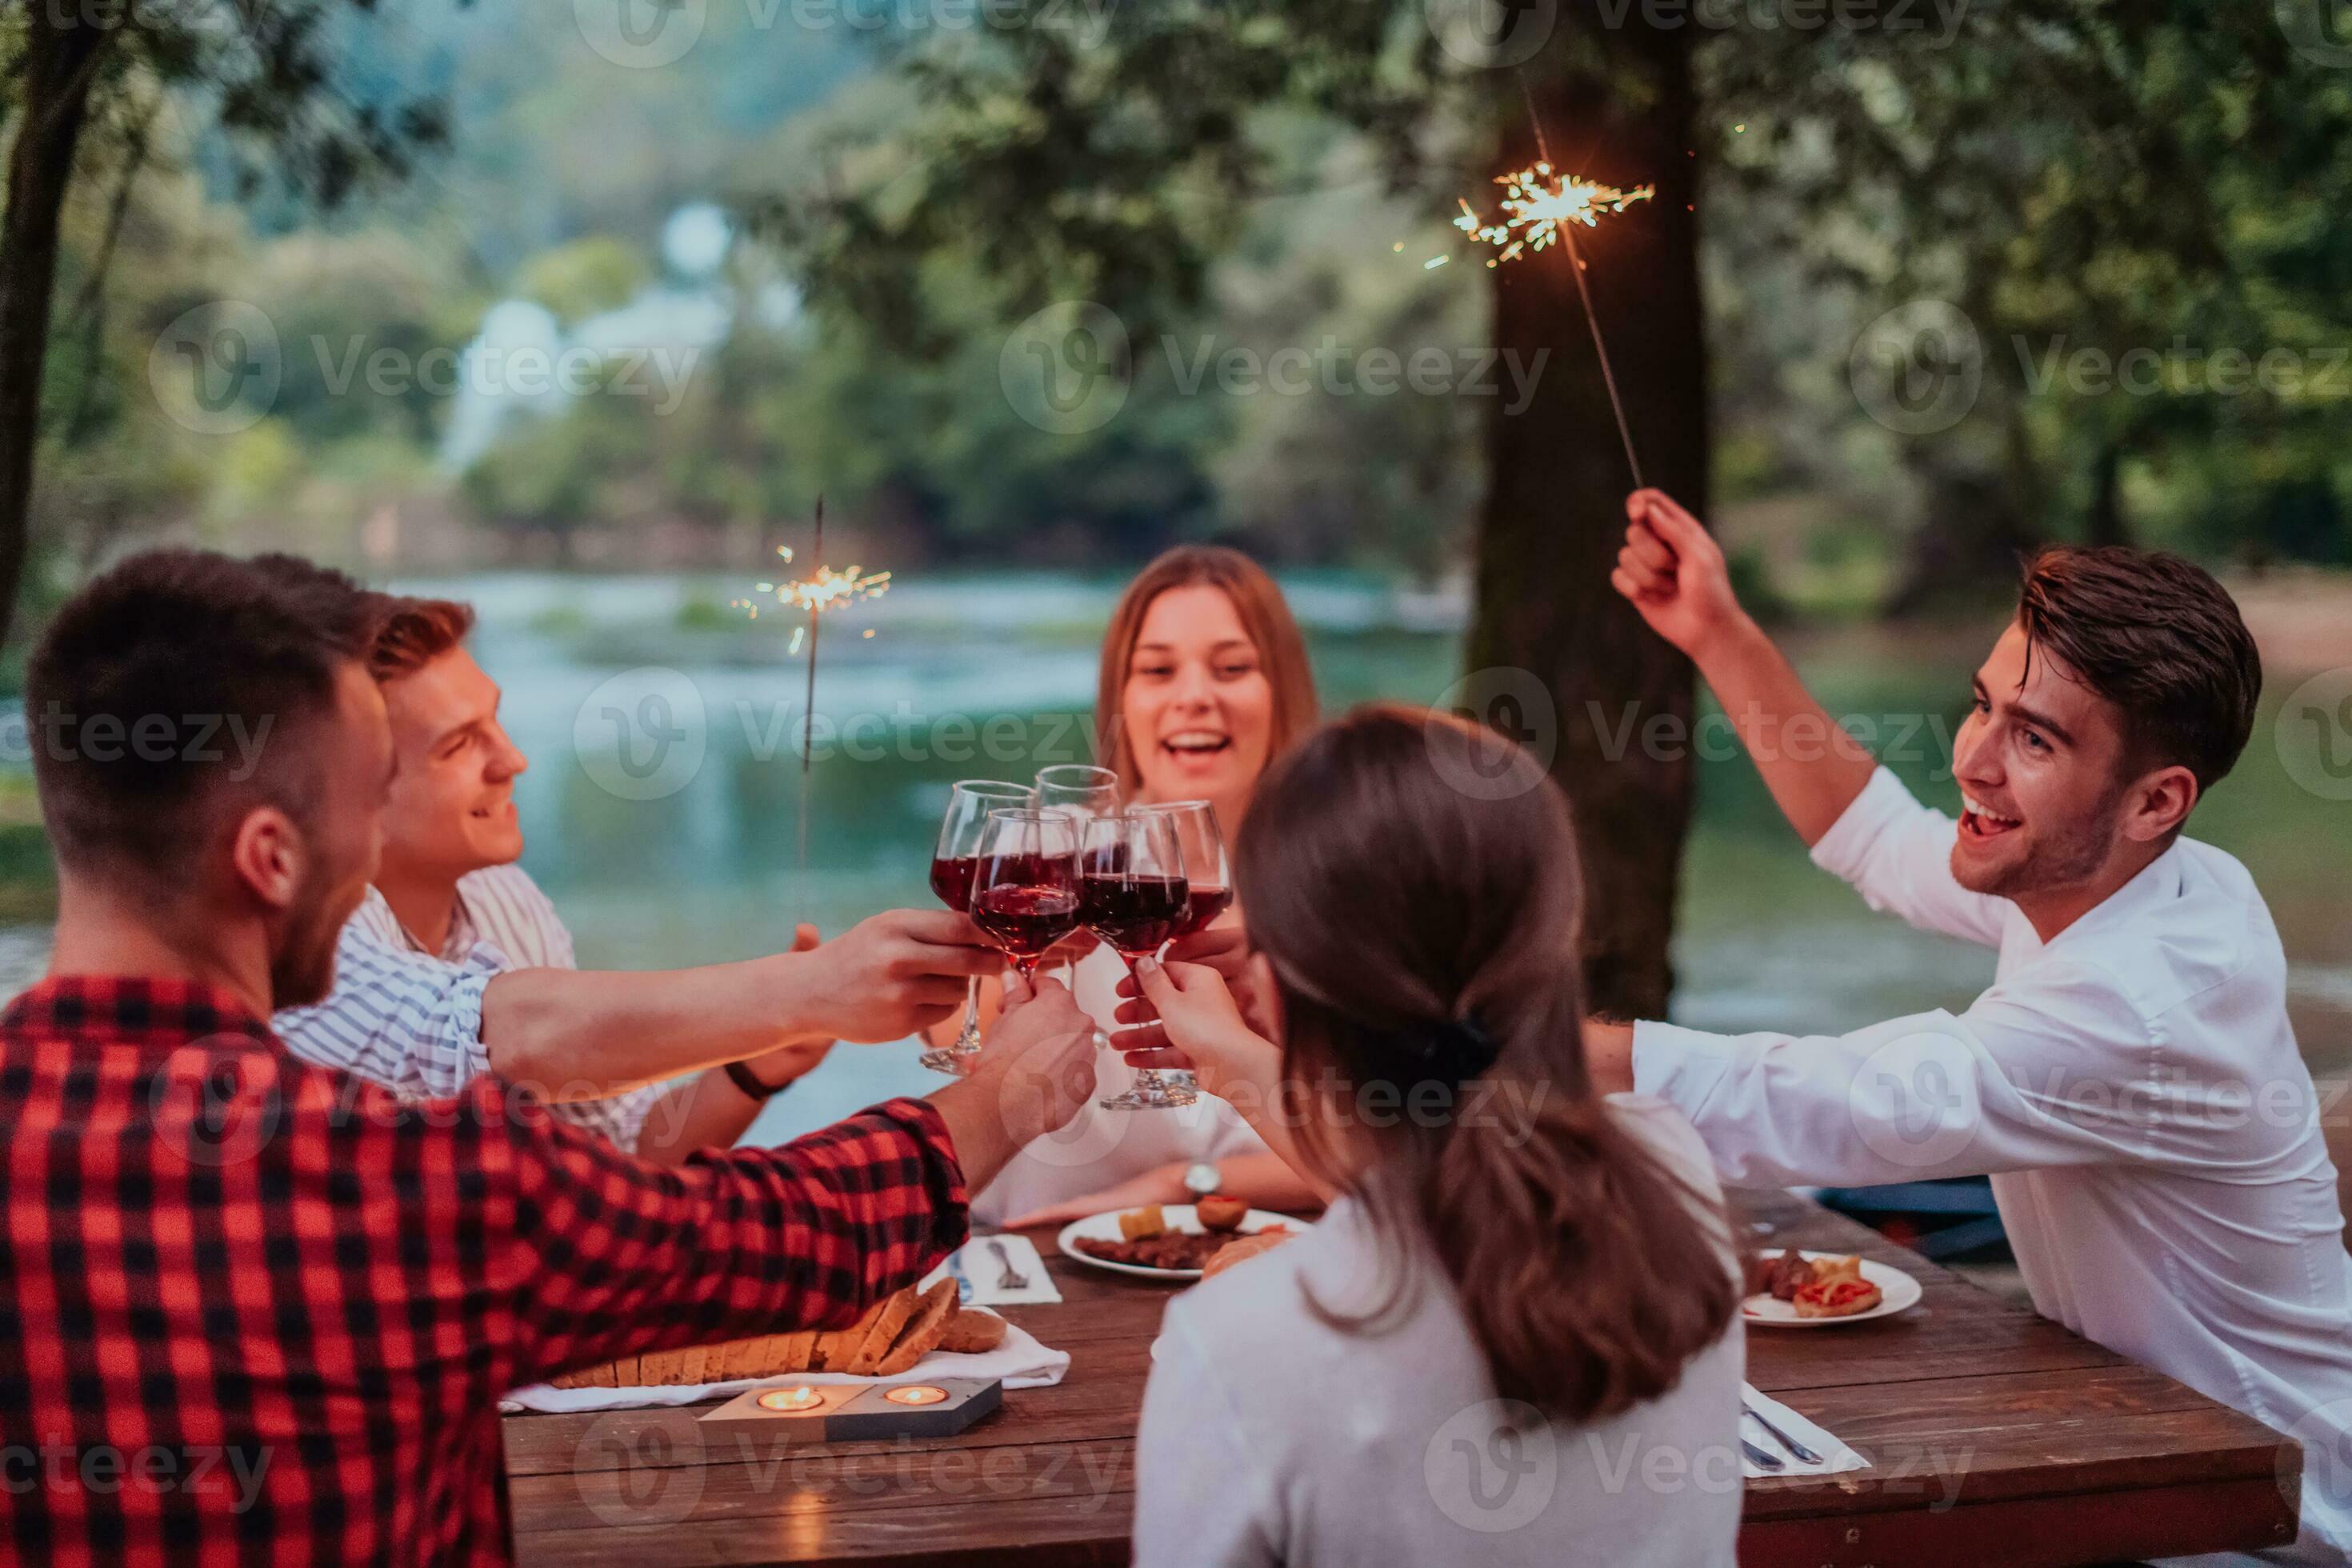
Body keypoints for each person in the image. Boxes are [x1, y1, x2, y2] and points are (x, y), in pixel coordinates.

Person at [0, 549, 1096, 1562]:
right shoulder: (403, 1182)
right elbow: (786, 1237)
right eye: (361, 808)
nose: (365, 862)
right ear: (271, 858)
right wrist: (1007, 1094)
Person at [1590, 489, 2352, 1562]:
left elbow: (1855, 1104)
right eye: (1982, 704)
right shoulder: (2144, 877)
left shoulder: (2140, 998)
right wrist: (1717, 628)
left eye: (2033, 738)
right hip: (2136, 1460)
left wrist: (1529, 1046)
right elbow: (1877, 837)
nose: (1973, 760)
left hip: (2262, 1531)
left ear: (2153, 800)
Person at [1114, 706, 1744, 1566]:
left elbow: (1414, 1218)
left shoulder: (1238, 1345)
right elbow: (1444, 1191)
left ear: (1270, 982)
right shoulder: (1674, 1177)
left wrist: (1246, 1062)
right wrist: (1237, 1067)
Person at [278, 590, 1002, 1162]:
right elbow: (500, 1040)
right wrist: (812, 991)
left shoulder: (503, 899)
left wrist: (754, 1065)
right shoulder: (296, 931)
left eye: (496, 723)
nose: (512, 761)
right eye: (461, 745)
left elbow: (619, 1155)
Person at [944, 546, 1326, 1227]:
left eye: (1233, 668)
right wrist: (991, 974)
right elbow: (950, 1051)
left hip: (1241, 1266)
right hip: (1038, 1263)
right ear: (1122, 696)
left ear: (1282, 689)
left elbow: (1400, 1150)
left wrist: (1189, 1183)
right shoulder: (1055, 862)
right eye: (1157, 670)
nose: (1194, 696)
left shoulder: (1337, 893)